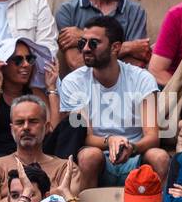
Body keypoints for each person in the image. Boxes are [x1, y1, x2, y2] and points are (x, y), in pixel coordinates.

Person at [62, 16, 169, 190]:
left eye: (94, 43)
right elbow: (84, 136)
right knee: (88, 156)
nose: (86, 49)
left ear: (115, 47)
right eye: (83, 43)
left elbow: (152, 136)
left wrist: (132, 147)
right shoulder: (73, 82)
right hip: (98, 154)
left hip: (135, 155)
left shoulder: (142, 78)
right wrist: (110, 140)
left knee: (160, 157)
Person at [0, 36, 59, 168]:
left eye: (29, 59)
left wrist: (51, 88)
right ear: (3, 65)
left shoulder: (35, 93)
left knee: (73, 124)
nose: (26, 64)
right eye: (18, 60)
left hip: (33, 158)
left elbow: (53, 130)